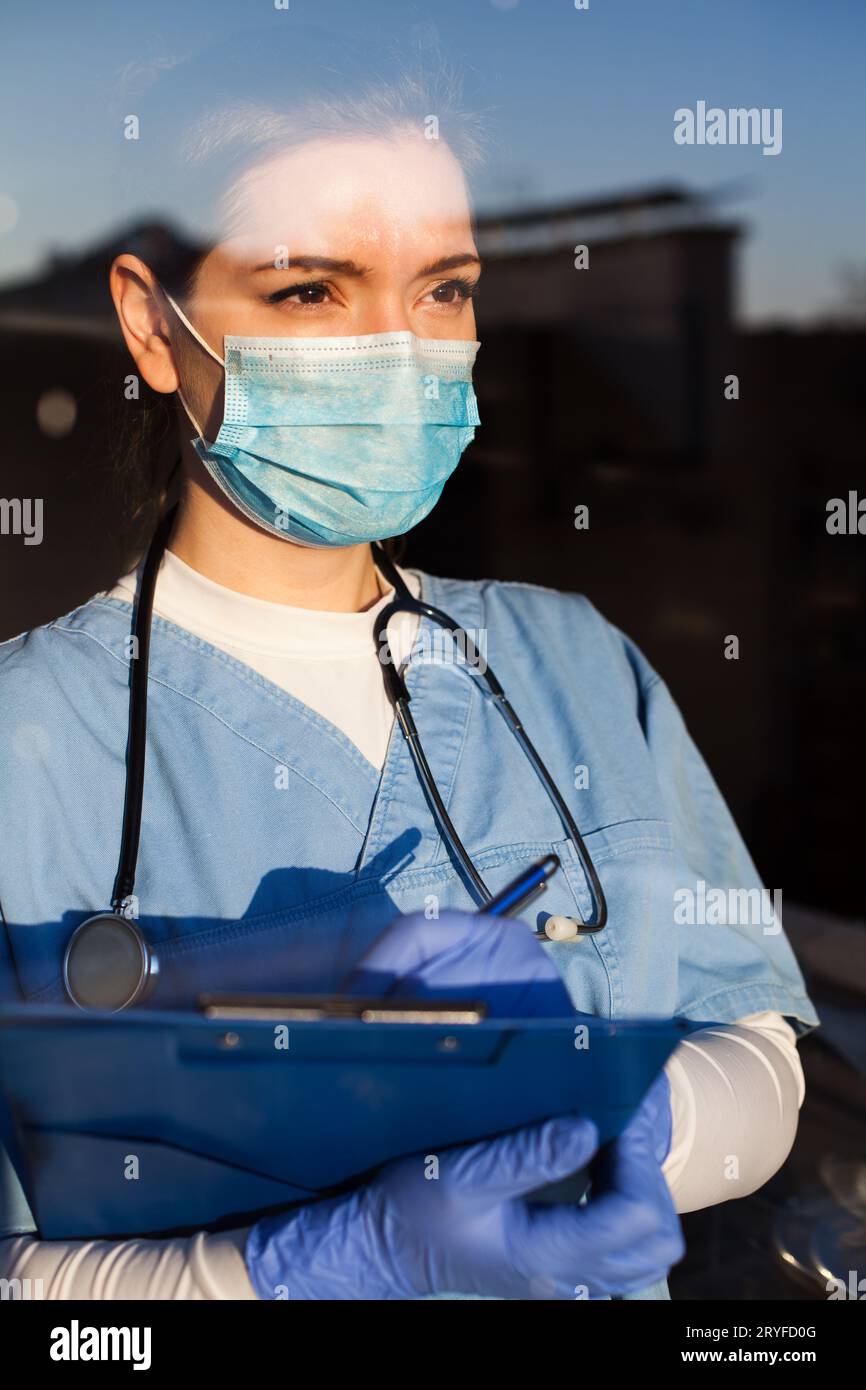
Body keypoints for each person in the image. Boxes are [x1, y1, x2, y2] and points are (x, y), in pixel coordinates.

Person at [0, 56, 817, 1300]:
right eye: (313, 288)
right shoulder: (29, 742)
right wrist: (301, 1268)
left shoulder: (576, 660)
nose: (398, 348)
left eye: (442, 288)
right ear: (151, 324)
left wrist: (623, 1123)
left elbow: (758, 1041)